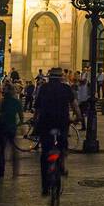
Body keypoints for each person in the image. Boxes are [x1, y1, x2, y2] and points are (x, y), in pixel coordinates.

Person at [33, 68, 78, 196]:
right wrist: (78, 117)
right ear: (61, 77)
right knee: (63, 145)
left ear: (49, 77)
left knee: (45, 155)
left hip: (46, 124)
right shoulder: (66, 88)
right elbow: (74, 104)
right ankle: (62, 166)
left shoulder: (44, 88)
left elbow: (38, 107)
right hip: (61, 122)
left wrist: (35, 120)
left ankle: (45, 187)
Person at [0, 82, 23, 178]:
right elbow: (21, 117)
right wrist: (19, 124)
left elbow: (0, 113)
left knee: (1, 150)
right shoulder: (16, 102)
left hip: (3, 127)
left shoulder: (4, 101)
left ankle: (0, 171)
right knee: (13, 150)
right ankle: (15, 172)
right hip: (12, 128)